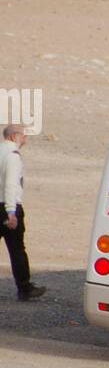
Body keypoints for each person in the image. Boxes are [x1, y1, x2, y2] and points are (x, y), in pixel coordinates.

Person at [0, 124, 45, 301]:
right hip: (8, 207)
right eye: (24, 136)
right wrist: (11, 212)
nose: (25, 140)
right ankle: (24, 287)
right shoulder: (12, 156)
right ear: (14, 137)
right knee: (17, 249)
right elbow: (11, 184)